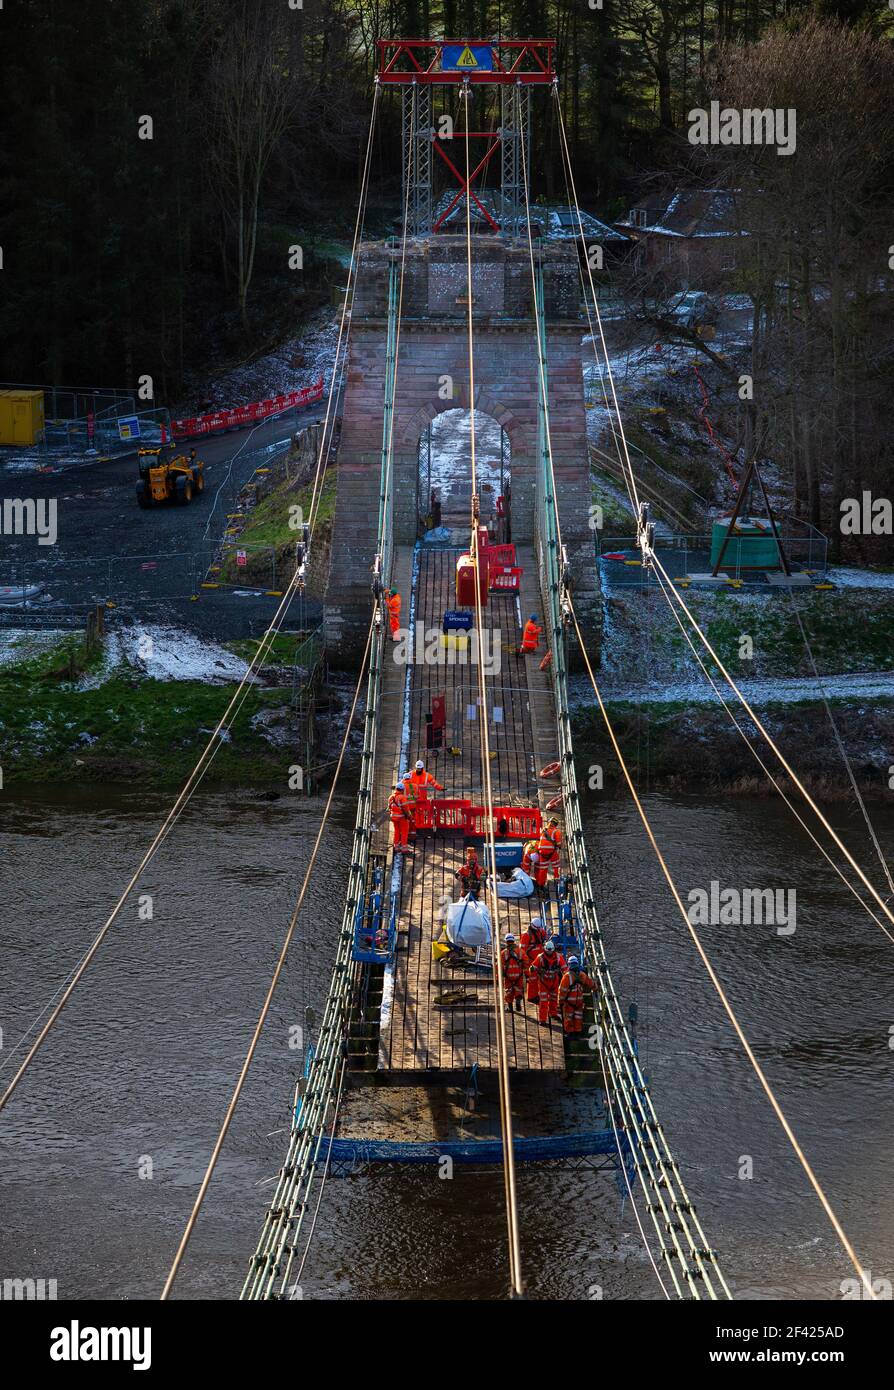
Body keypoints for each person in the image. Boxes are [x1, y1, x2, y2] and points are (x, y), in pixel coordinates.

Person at [529, 938, 566, 1025]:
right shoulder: (540, 957)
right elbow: (533, 967)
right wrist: (532, 969)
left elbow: (564, 968)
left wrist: (566, 978)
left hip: (554, 981)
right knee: (543, 1001)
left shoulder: (558, 957)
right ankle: (542, 1019)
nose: (549, 953)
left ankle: (553, 1013)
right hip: (543, 982)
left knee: (554, 999)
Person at [558, 956, 597, 1035]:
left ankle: (570, 1034)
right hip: (579, 1002)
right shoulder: (582, 975)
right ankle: (577, 1033)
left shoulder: (567, 977)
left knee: (568, 1019)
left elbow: (562, 991)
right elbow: (590, 983)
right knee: (578, 1018)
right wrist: (596, 987)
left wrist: (560, 1003)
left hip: (569, 1003)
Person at [520, 916, 548, 1002]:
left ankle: (536, 995)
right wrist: (525, 963)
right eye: (536, 928)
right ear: (532, 925)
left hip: (539, 960)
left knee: (538, 979)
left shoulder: (540, 930)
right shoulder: (526, 935)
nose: (538, 930)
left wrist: (546, 940)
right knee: (532, 980)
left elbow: (544, 935)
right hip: (530, 961)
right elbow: (522, 951)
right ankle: (531, 997)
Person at [500, 933, 526, 1012]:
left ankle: (510, 1007)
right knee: (519, 989)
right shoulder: (521, 951)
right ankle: (518, 1001)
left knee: (509, 991)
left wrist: (499, 976)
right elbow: (526, 962)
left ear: (506, 942)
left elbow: (500, 965)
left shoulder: (503, 953)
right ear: (513, 941)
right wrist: (527, 975)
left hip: (508, 976)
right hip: (519, 975)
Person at [387, 780, 413, 853]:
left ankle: (396, 846)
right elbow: (406, 809)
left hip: (394, 817)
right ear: (402, 789)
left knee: (397, 831)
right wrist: (410, 816)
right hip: (402, 818)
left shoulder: (391, 797)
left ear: (396, 789)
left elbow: (389, 808)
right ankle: (404, 848)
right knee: (404, 832)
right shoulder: (402, 797)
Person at [536, 817, 562, 887]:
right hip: (551, 852)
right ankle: (556, 880)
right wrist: (560, 846)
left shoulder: (543, 830)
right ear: (556, 825)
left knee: (543, 869)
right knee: (556, 865)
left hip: (542, 852)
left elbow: (540, 839)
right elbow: (558, 844)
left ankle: (541, 884)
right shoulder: (557, 831)